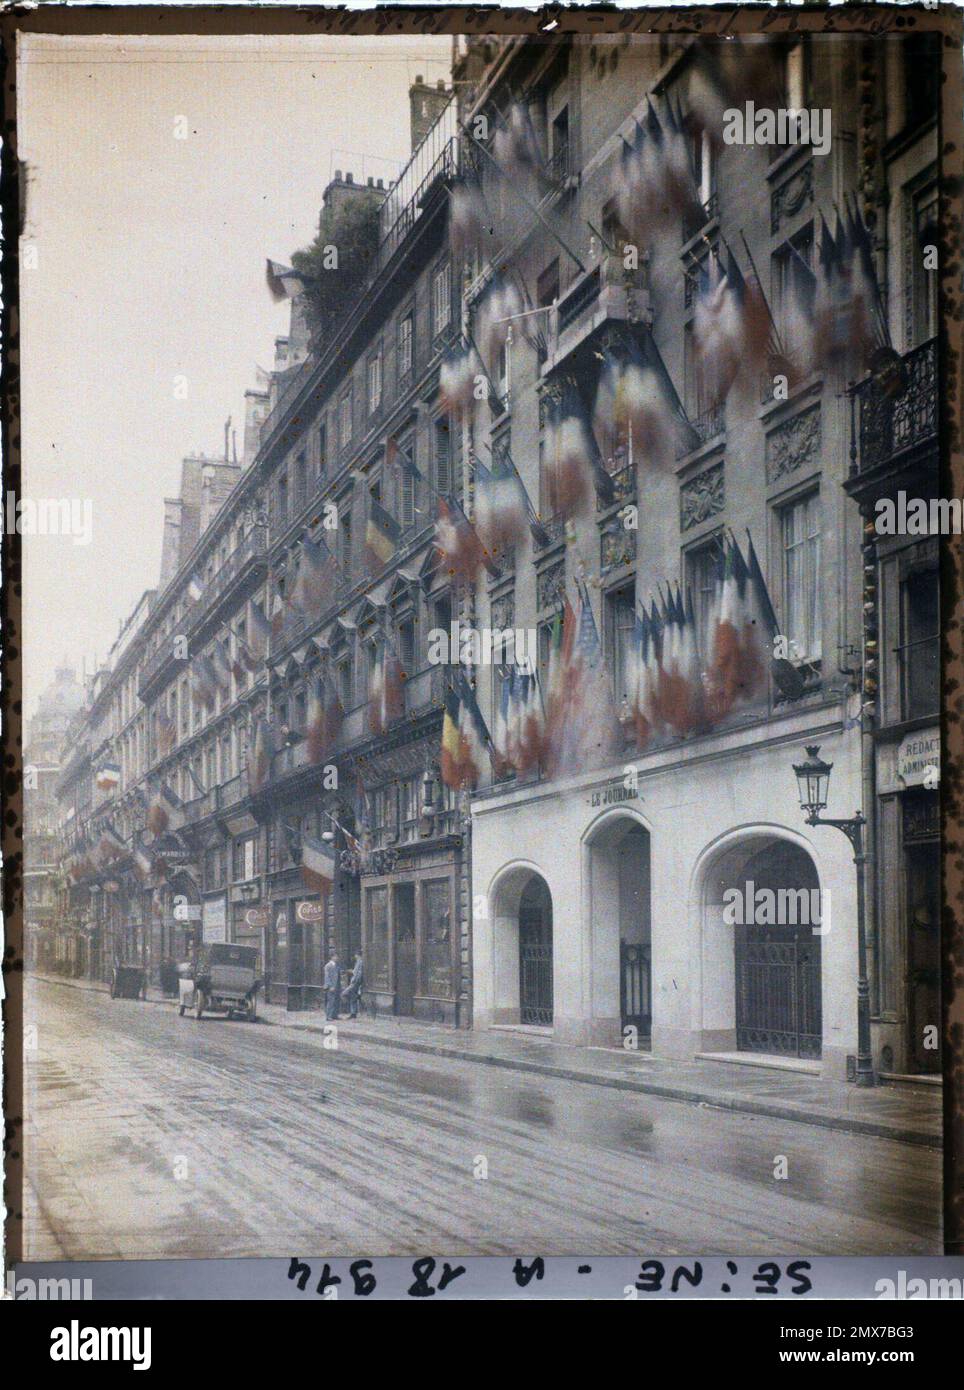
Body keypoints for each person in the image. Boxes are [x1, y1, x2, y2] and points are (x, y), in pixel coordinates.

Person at [344, 952, 364, 1019]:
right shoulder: (359, 962)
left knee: (345, 994)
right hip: (355, 982)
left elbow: (358, 973)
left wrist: (355, 980)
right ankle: (353, 1013)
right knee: (353, 997)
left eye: (355, 955)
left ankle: (352, 1012)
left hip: (355, 982)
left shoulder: (360, 962)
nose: (355, 956)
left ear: (357, 955)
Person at [323, 951, 341, 1020]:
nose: (337, 958)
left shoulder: (336, 965)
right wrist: (330, 986)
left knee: (336, 1001)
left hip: (337, 986)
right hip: (331, 987)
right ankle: (328, 1016)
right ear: (332, 957)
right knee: (330, 1001)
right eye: (336, 956)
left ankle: (335, 1015)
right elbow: (327, 977)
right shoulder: (328, 966)